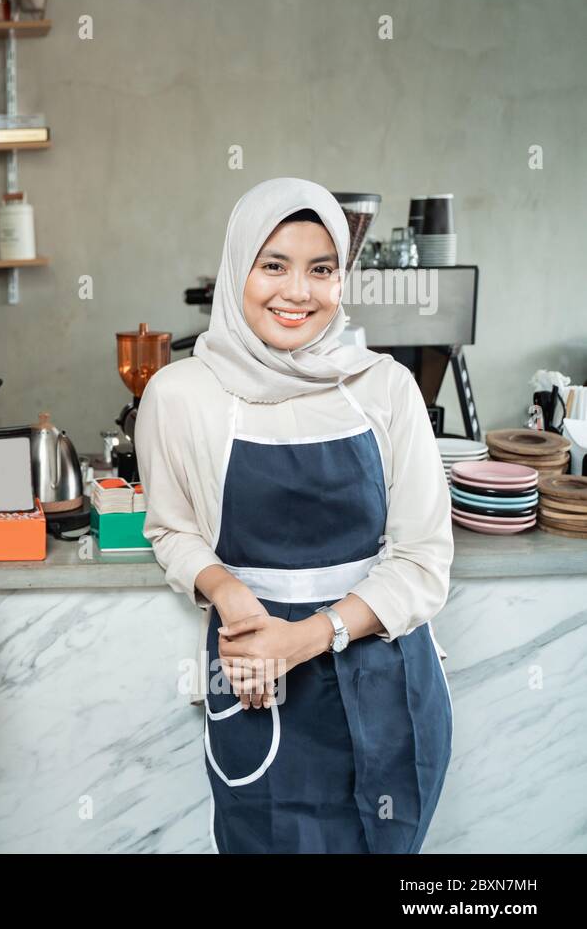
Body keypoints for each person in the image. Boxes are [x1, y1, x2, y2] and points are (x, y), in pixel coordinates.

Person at [134, 177, 454, 853]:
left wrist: (307, 637)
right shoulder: (180, 393)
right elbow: (171, 529)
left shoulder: (385, 386)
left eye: (321, 269)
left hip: (387, 681)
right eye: (273, 265)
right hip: (254, 682)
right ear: (236, 270)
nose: (298, 291)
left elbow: (424, 563)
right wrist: (226, 590)